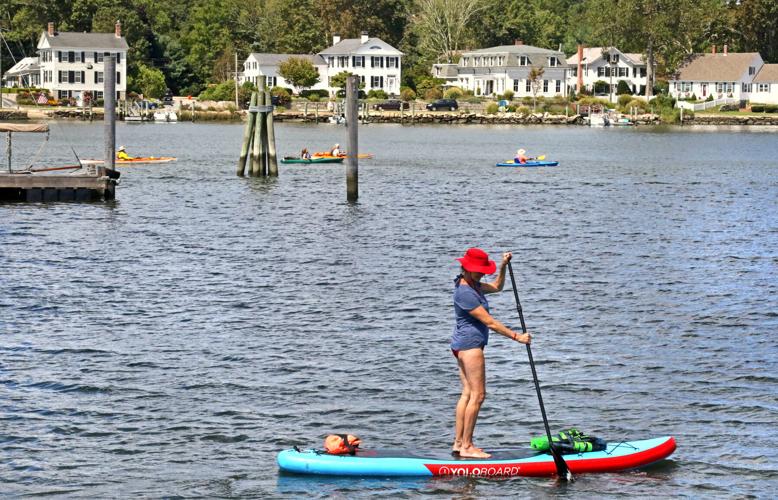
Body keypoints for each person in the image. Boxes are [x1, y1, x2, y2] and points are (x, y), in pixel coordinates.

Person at [451, 248, 531, 459]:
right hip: (470, 346)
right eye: (478, 271)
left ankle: (459, 443)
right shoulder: (466, 293)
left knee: (467, 393)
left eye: (482, 271)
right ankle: (468, 447)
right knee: (478, 395)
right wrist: (517, 337)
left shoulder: (470, 284)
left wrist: (503, 266)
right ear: (466, 269)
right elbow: (490, 322)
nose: (481, 275)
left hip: (461, 343)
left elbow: (497, 287)